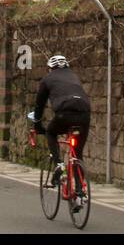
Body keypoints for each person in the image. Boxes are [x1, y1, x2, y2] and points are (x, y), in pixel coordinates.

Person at [32, 54, 91, 187]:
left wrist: (37, 124)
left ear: (50, 68)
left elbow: (39, 105)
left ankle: (58, 164)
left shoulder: (47, 79)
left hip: (64, 113)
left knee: (51, 133)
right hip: (84, 113)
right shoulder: (74, 77)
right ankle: (80, 192)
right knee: (77, 154)